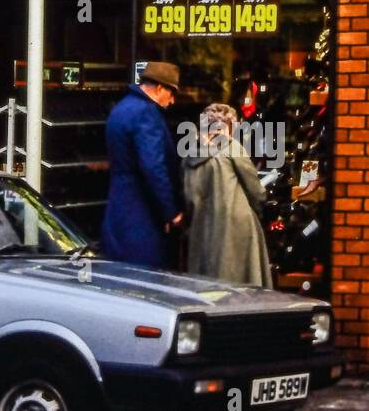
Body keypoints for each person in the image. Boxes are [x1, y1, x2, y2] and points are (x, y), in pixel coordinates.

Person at [101, 61, 184, 269]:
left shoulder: (121, 108)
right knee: (146, 280)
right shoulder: (147, 114)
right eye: (172, 93)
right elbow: (154, 167)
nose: (172, 101)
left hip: (118, 208)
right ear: (159, 88)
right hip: (142, 214)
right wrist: (171, 212)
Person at [183, 102, 273, 288]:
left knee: (206, 284)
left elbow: (187, 194)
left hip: (202, 227)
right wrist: (261, 206)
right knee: (243, 287)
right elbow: (255, 190)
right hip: (237, 228)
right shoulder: (231, 148)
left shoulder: (189, 154)